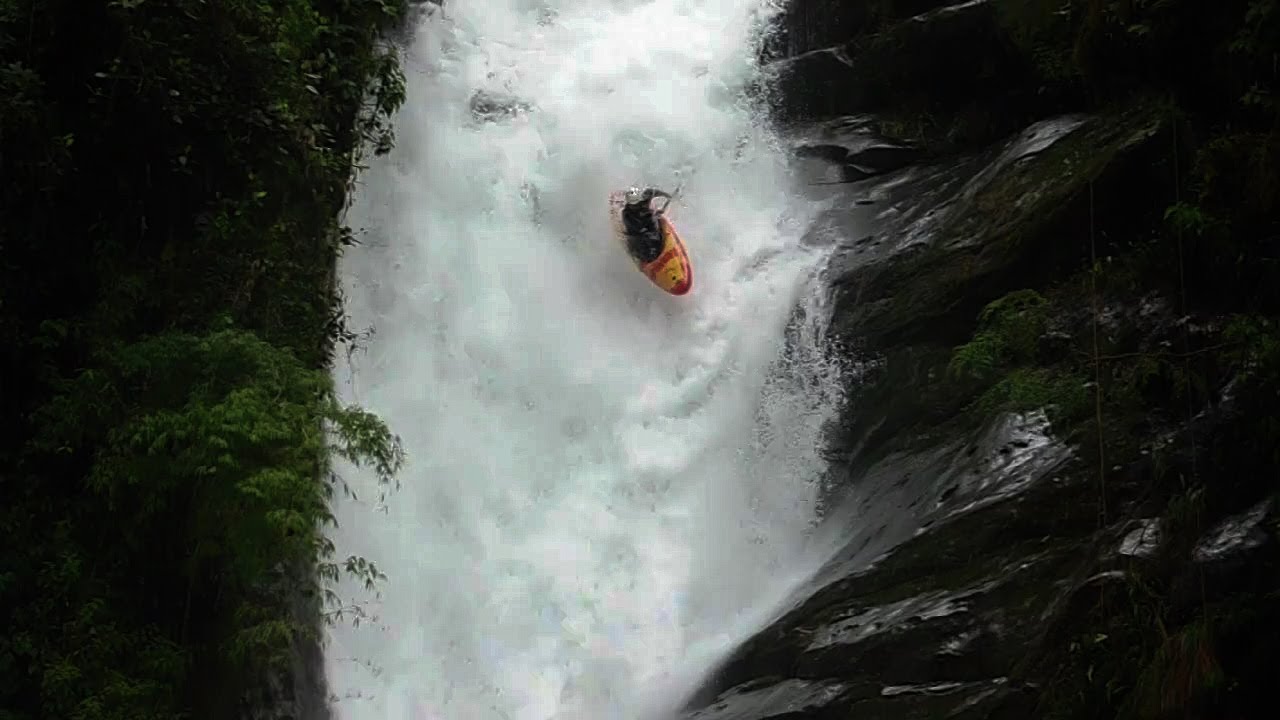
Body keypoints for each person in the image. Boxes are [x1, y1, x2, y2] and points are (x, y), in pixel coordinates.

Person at [619, 186, 673, 264]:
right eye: (632, 205)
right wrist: (653, 215)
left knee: (653, 225)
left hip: (649, 225)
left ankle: (659, 244)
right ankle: (649, 257)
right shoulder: (627, 215)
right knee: (645, 240)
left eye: (636, 204)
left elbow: (653, 192)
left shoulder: (645, 196)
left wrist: (666, 195)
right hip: (638, 235)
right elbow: (640, 229)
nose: (635, 207)